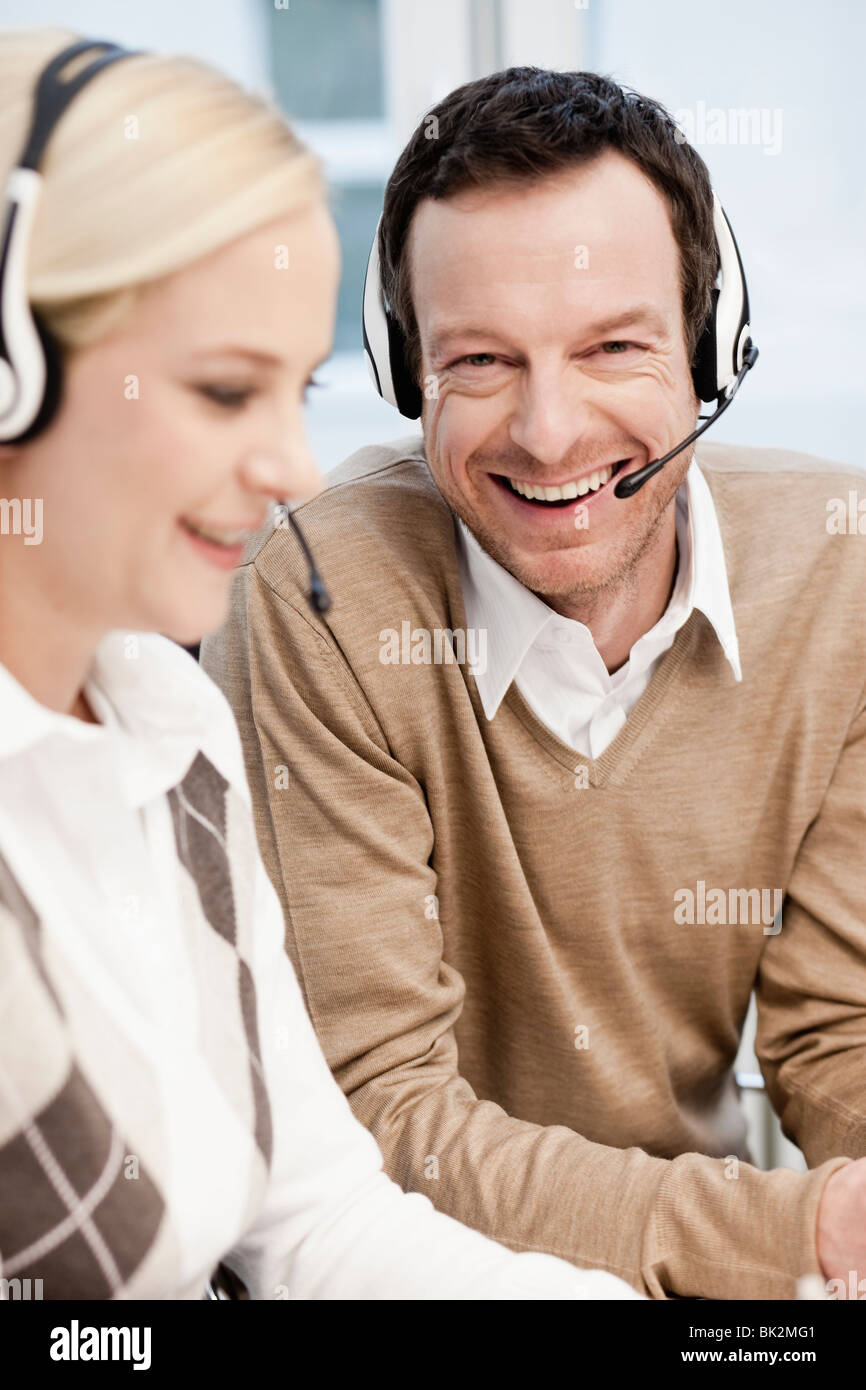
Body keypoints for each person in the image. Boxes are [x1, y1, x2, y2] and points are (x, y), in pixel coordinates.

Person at [202, 67, 866, 1300]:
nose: (548, 432)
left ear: (708, 347)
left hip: (713, 1272)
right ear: (406, 370)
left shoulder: (840, 568)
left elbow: (839, 1029)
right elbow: (380, 1116)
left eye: (612, 346)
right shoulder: (320, 594)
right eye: (480, 360)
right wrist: (801, 1230)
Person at [0, 30, 641, 1301]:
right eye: (224, 391)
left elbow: (318, 1222)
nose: (294, 468)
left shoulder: (169, 725)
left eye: (296, 391)